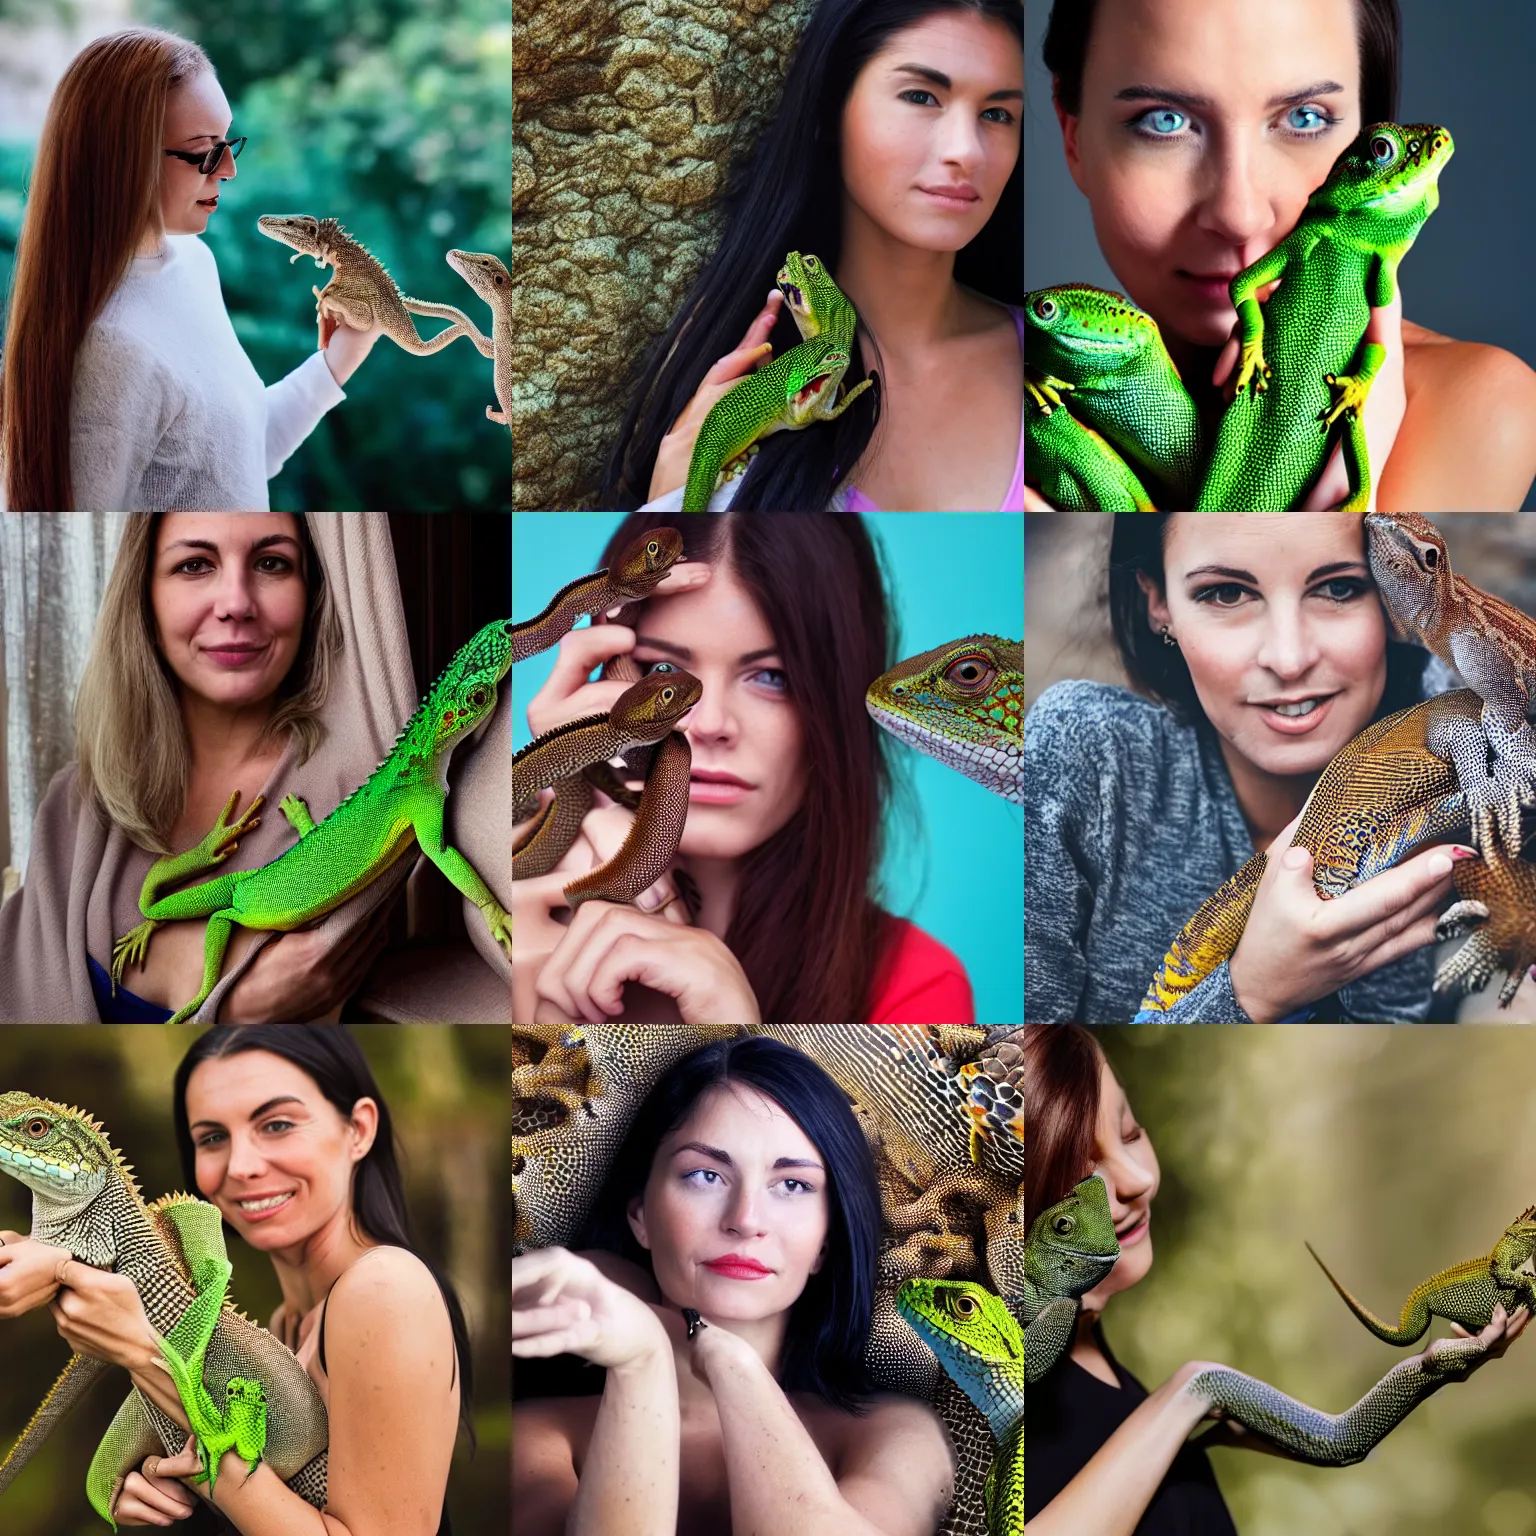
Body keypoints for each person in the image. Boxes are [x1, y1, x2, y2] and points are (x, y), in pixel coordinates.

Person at [1026, 0, 1536, 511]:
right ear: (1073, 137)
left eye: (1305, 117)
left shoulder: (1482, 406)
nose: (1239, 215)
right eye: (1164, 120)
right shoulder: (1011, 393)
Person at [1022, 1025, 1529, 1534]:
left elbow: (1339, 1440)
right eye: (1080, 1175)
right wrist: (1189, 1392)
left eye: (1131, 1133)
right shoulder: (996, 1368)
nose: (1139, 1179)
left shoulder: (1088, 1343)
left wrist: (1436, 1366)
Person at [0, 1025, 474, 1534]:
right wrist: (164, 1476)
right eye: (212, 1138)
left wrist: (144, 1356)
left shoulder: (383, 1289)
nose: (242, 1165)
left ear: (358, 1129)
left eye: (278, 1125)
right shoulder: (286, 1323)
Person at [512, 511, 976, 1025]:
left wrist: (725, 1027)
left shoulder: (919, 988)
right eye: (662, 669)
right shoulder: (502, 877)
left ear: (837, 707)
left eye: (772, 677)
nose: (710, 723)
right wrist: (559, 780)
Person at [1024, 512, 1481, 1023]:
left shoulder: (1483, 763)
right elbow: (1025, 1064)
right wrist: (1256, 992)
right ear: (1159, 603)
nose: (1289, 659)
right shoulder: (1089, 754)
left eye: (1338, 588)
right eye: (1226, 593)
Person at [513, 1034, 957, 1536]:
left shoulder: (895, 1434)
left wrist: (725, 1358)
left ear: (826, 1241)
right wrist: (642, 1365)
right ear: (640, 1216)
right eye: (705, 1176)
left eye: (792, 1185)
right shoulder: (538, 1435)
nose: (746, 1220)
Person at [600, 0, 1024, 512]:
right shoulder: (743, 383)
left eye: (997, 114)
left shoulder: (1067, 364)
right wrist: (672, 498)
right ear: (829, 109)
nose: (968, 151)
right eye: (920, 96)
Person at [0, 512, 396, 1022]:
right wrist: (228, 1005)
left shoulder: (360, 788)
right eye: (194, 565)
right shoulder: (74, 802)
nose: (236, 603)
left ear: (312, 593)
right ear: (145, 597)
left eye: (272, 563)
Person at [0, 27, 383, 511]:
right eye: (204, 153)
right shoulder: (111, 350)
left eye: (227, 142)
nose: (229, 170)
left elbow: (237, 458)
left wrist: (343, 354)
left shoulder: (193, 262)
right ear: (123, 160)